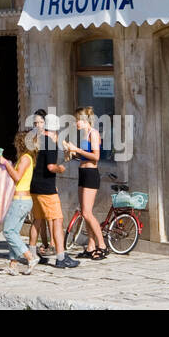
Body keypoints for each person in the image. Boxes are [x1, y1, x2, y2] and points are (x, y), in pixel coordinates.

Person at [29, 109, 78, 268]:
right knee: (57, 221)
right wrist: (60, 168)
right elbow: (50, 167)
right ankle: (61, 257)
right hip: (46, 188)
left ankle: (33, 254)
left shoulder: (36, 141)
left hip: (34, 187)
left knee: (37, 221)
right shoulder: (49, 143)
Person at [62, 106, 107, 260]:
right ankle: (90, 245)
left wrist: (78, 150)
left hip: (91, 174)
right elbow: (84, 156)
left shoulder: (93, 134)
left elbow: (96, 157)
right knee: (84, 212)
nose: (76, 124)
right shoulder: (84, 135)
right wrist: (71, 152)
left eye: (78, 120)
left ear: (85, 120)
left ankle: (102, 245)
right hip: (83, 172)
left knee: (87, 213)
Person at [0, 128, 39, 274]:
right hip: (23, 200)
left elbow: (17, 177)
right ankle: (13, 265)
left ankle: (29, 257)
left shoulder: (25, 158)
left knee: (8, 231)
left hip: (20, 200)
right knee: (14, 231)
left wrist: (6, 163)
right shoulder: (28, 158)